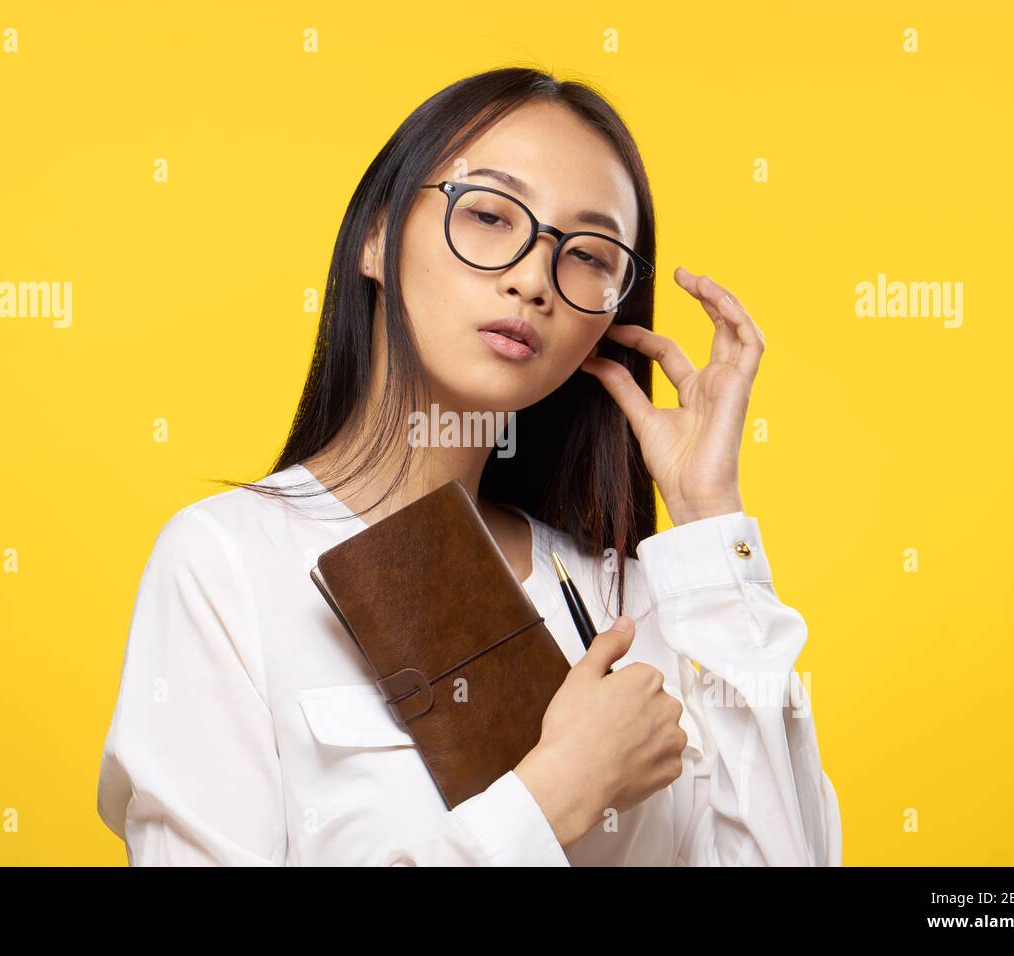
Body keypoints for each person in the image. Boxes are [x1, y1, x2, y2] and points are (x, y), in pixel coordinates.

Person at [96, 66, 842, 866]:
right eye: (488, 214)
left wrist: (709, 520)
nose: (532, 279)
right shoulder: (229, 561)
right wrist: (550, 798)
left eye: (590, 255)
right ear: (377, 236)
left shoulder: (640, 597)